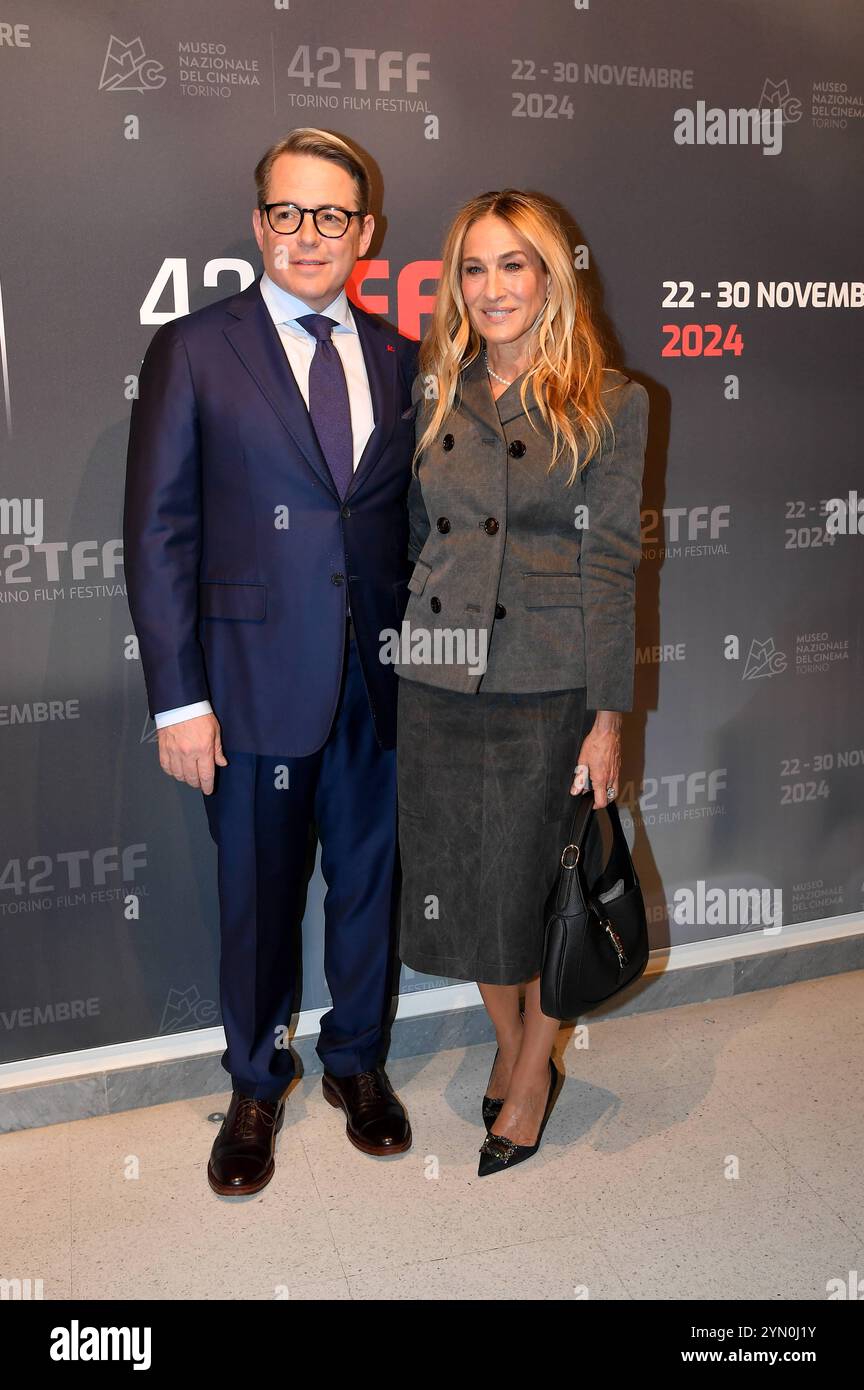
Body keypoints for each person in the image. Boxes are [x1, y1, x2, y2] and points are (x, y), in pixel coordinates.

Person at [124, 128, 419, 1197]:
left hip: (379, 687)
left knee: (366, 889)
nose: (307, 234)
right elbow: (158, 532)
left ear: (364, 233)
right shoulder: (195, 349)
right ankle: (254, 1083)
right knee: (256, 894)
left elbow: (403, 526)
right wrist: (179, 698)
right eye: (286, 213)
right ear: (258, 224)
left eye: (330, 216)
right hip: (245, 691)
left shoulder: (397, 355)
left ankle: (356, 1062)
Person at [394, 189, 649, 1176]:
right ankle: (511, 1043)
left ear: (550, 277)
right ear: (454, 283)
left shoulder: (610, 400)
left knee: (540, 891)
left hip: (546, 686)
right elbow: (417, 537)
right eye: (473, 266)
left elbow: (611, 565)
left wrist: (605, 719)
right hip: (437, 680)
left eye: (513, 264)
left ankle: (534, 1069)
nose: (492, 286)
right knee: (465, 895)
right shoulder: (433, 387)